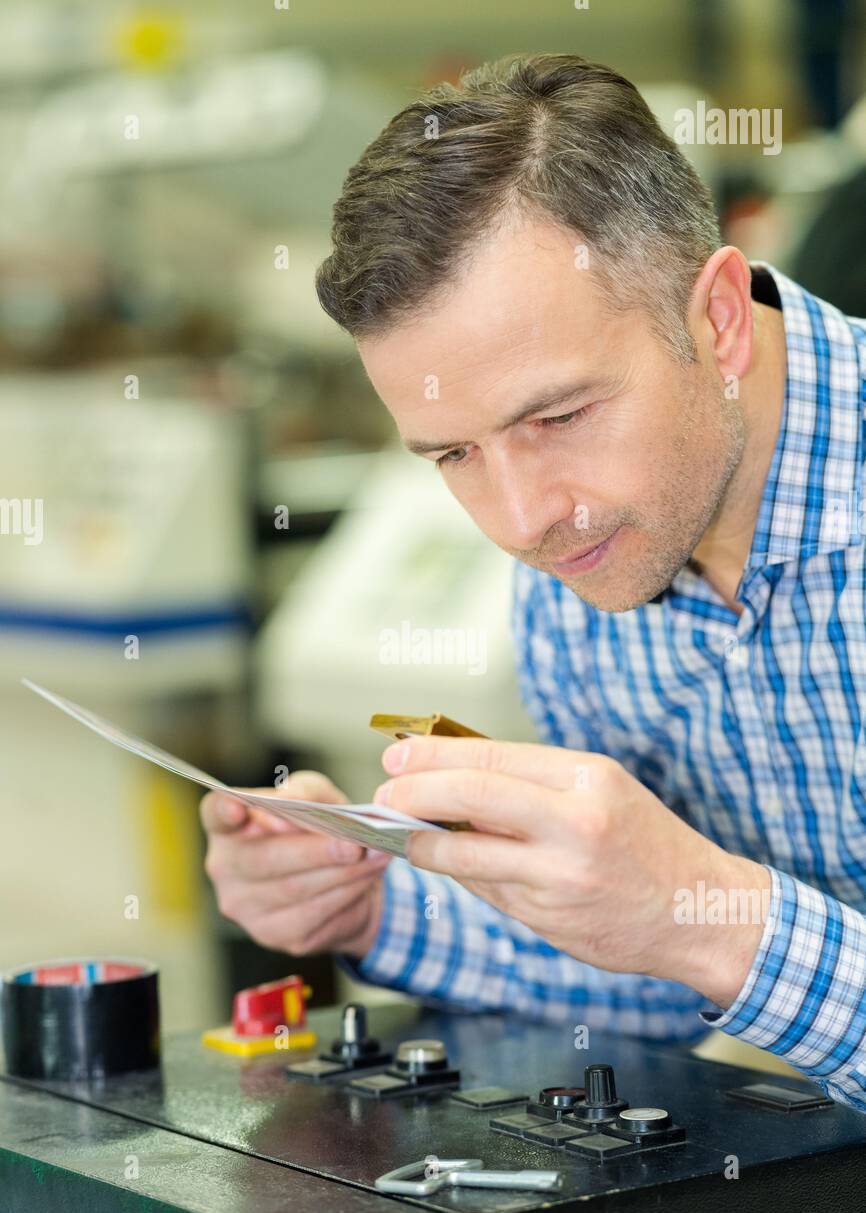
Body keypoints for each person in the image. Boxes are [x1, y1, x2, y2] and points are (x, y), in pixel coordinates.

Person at [202, 54, 866, 1110]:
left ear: (719, 319)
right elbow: (658, 973)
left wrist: (709, 909)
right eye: (451, 455)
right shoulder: (587, 564)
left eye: (554, 418)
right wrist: (368, 904)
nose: (521, 524)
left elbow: (708, 936)